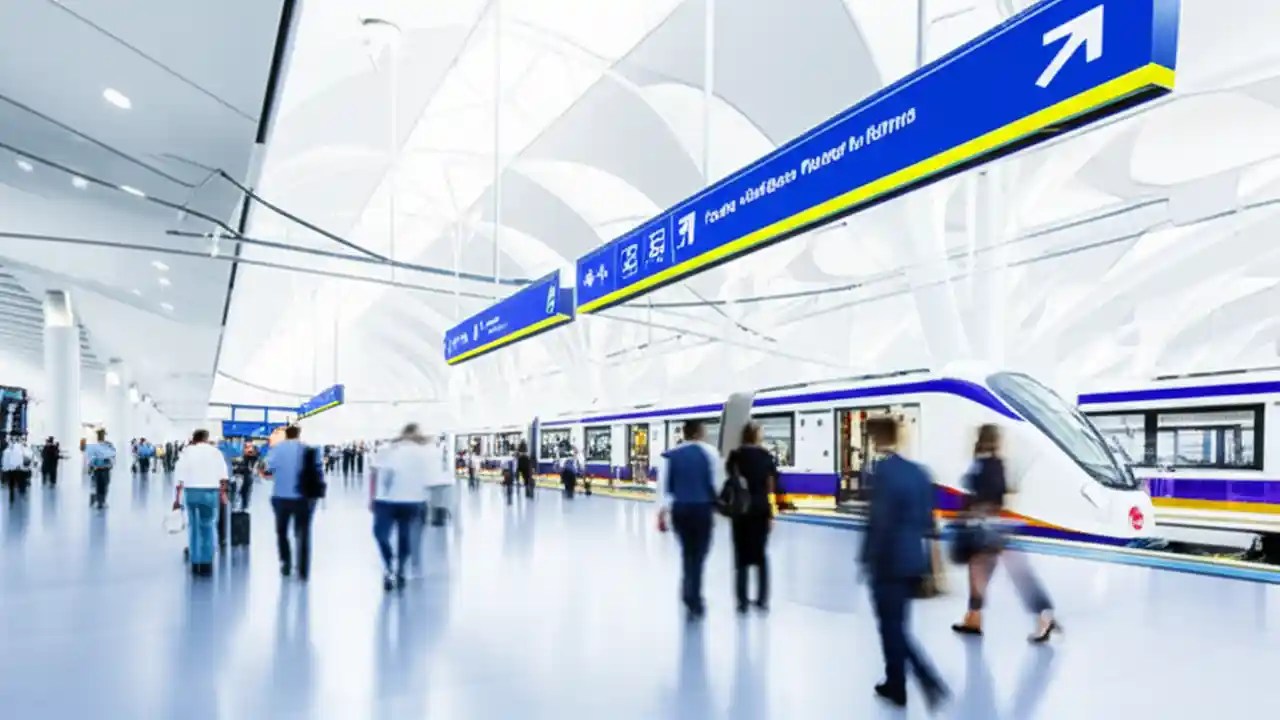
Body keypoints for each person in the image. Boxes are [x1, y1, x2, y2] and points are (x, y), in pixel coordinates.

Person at [859, 417, 948, 710]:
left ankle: (925, 679)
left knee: (891, 628)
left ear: (875, 440)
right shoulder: (920, 473)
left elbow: (880, 522)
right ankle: (895, 683)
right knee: (898, 625)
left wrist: (867, 557)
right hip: (913, 560)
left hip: (887, 562)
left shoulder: (882, 472)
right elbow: (928, 523)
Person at [951, 424, 1059, 643]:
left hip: (984, 529)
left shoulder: (982, 465)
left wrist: (970, 511)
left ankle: (1043, 617)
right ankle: (974, 618)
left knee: (996, 575)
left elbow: (980, 496)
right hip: (995, 527)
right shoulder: (997, 464)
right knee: (994, 575)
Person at [657, 419, 722, 620]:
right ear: (699, 433)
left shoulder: (670, 456)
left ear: (684, 433)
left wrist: (662, 512)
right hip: (702, 510)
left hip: (680, 510)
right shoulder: (710, 454)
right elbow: (716, 484)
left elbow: (665, 488)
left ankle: (688, 593)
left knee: (687, 552)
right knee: (699, 554)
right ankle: (695, 598)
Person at [370, 424, 431, 590]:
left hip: (398, 500)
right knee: (397, 536)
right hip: (399, 500)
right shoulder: (389, 450)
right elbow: (376, 472)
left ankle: (395, 567)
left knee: (389, 535)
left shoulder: (420, 453)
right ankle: (394, 567)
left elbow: (377, 473)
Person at [725, 422, 777, 613]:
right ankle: (762, 600)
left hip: (740, 511)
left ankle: (742, 602)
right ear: (756, 435)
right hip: (761, 511)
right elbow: (771, 486)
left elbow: (731, 480)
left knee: (740, 558)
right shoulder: (766, 457)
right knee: (761, 556)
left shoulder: (735, 456)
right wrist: (772, 513)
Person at [265, 426, 322, 580]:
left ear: (286, 435)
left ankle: (286, 563)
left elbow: (267, 469)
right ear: (298, 434)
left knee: (282, 532)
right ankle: (303, 569)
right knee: (303, 533)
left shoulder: (277, 450)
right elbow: (318, 471)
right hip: (303, 498)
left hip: (281, 497)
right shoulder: (307, 450)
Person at [172, 429, 229, 577]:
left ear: (194, 438)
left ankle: (195, 561)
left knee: (193, 526)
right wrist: (223, 494)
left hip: (191, 493)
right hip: (210, 492)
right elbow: (223, 477)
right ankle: (206, 564)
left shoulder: (186, 452)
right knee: (208, 526)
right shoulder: (215, 452)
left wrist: (177, 500)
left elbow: (179, 478)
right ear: (206, 438)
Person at [85, 429, 116, 509]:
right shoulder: (95, 446)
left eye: (102, 435)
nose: (101, 437)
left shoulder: (108, 445)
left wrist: (110, 462)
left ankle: (102, 501)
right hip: (97, 469)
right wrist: (90, 466)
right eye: (100, 435)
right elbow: (91, 458)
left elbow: (112, 456)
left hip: (105, 469)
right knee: (98, 486)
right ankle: (99, 501)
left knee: (104, 485)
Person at [2, 436, 33, 503]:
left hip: (18, 469)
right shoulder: (9, 450)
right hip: (14, 469)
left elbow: (27, 458)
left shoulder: (22, 449)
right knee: (14, 483)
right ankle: (14, 496)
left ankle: (17, 494)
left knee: (19, 482)